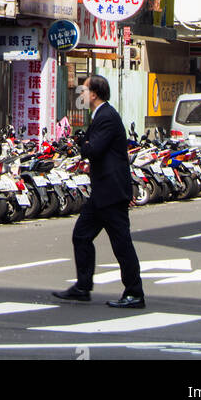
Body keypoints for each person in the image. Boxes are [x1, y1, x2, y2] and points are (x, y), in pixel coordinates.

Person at [53, 74, 145, 309]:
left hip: (111, 193)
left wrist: (82, 143)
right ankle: (83, 287)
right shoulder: (101, 116)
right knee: (81, 235)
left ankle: (135, 293)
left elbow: (94, 150)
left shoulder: (106, 117)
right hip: (104, 192)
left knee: (121, 243)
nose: (80, 95)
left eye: (83, 90)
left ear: (93, 94)